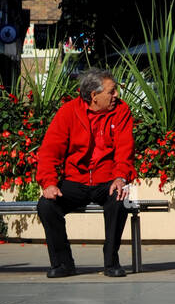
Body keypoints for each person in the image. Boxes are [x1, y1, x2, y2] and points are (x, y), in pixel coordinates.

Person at [36, 68, 134, 279]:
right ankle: (63, 263)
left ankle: (111, 261)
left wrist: (120, 177)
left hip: (107, 180)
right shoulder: (68, 111)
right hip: (75, 180)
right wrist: (49, 183)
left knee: (120, 199)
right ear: (94, 96)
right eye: (112, 91)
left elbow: (125, 150)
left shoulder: (122, 111)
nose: (116, 95)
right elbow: (50, 150)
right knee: (46, 204)